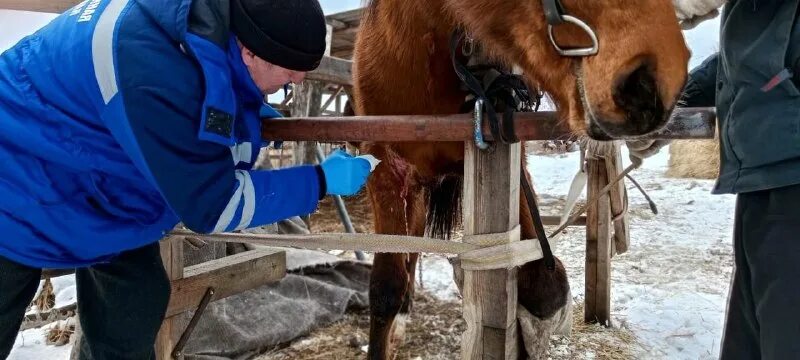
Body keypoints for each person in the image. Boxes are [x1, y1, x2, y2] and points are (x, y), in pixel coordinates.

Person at [0, 0, 373, 358]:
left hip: (101, 186)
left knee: (136, 301)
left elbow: (211, 95)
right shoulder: (154, 74)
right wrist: (320, 181)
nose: (298, 81)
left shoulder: (207, 25)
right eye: (289, 72)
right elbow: (214, 204)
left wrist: (249, 121)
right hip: (17, 182)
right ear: (250, 53)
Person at [631, 1, 800, 358]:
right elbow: (736, 65)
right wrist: (662, 105)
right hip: (764, 180)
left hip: (790, 178)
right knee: (751, 341)